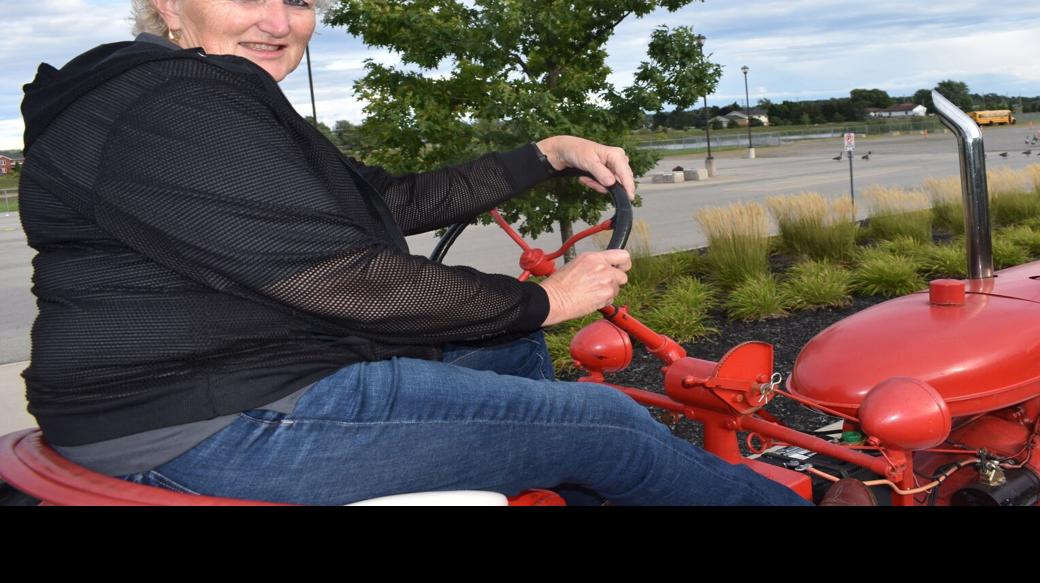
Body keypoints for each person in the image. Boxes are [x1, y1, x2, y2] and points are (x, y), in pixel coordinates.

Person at [16, 0, 846, 505]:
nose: (279, 22)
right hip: (208, 418)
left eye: (298, 0)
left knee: (505, 342)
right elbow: (338, 276)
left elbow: (382, 204)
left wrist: (543, 155)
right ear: (170, 6)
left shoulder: (181, 100)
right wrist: (548, 300)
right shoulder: (174, 104)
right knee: (606, 420)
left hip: (234, 377)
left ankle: (533, 481)